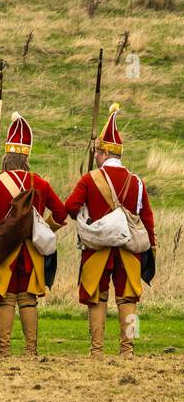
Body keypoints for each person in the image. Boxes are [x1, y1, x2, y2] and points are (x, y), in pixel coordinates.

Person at [0, 113, 68, 356]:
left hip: (3, 249)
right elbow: (62, 214)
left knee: (5, 299)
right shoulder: (39, 183)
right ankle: (31, 351)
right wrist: (43, 229)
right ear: (26, 157)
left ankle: (5, 352)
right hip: (32, 251)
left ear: (7, 157)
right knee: (28, 300)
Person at [65, 104, 156, 357]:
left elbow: (70, 206)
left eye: (98, 152)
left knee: (97, 298)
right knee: (129, 301)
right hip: (130, 250)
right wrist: (152, 249)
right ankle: (128, 349)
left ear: (105, 152)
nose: (95, 156)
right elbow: (147, 218)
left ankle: (96, 351)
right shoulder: (137, 181)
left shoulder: (89, 179)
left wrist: (85, 214)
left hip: (97, 249)